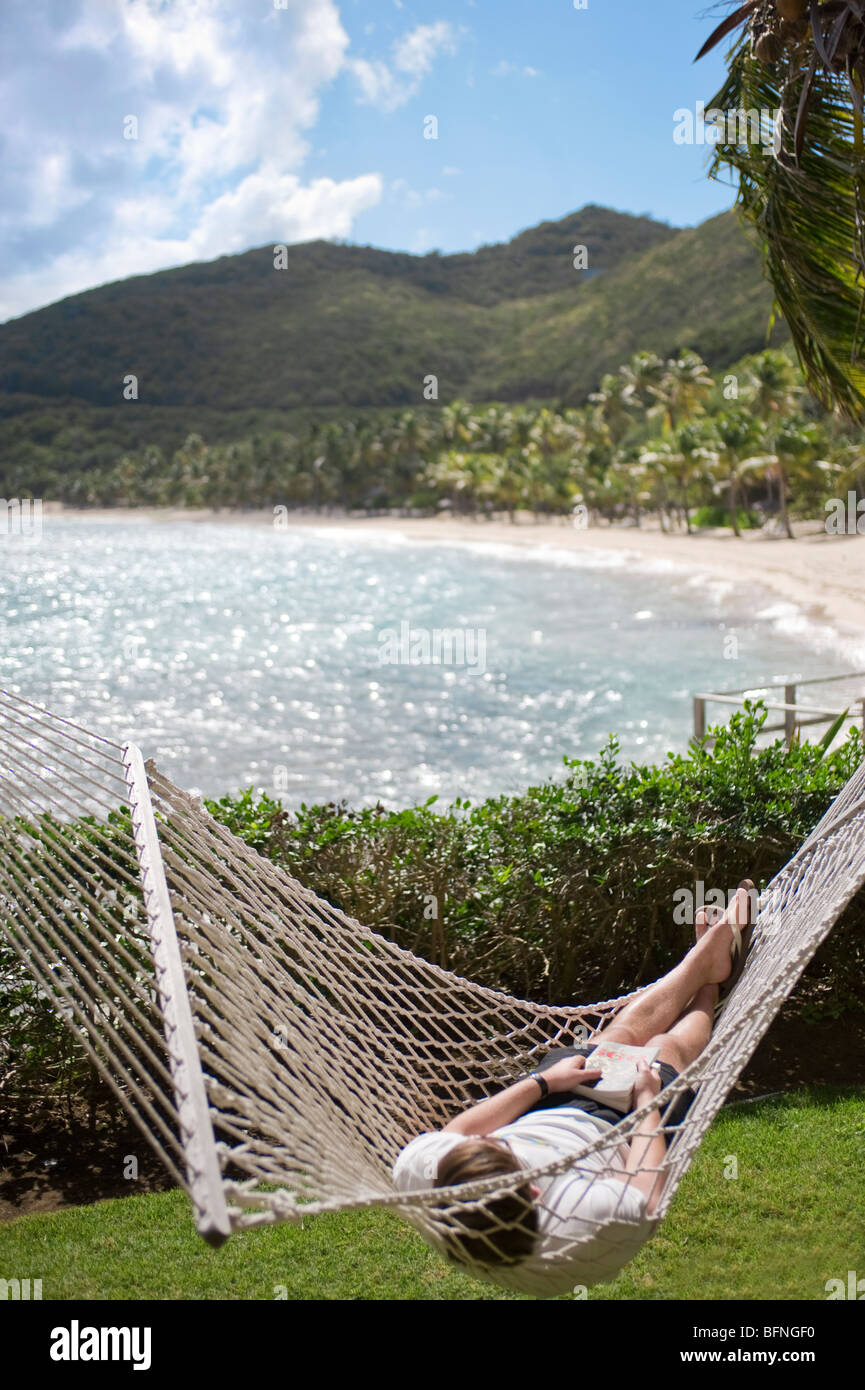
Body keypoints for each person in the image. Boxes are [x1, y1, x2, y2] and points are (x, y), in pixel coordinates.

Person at [392, 883, 755, 1296]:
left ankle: (706, 963)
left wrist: (544, 1083)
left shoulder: (425, 1176)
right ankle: (708, 986)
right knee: (663, 1049)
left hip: (553, 1101)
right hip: (624, 1126)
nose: (506, 1143)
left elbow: (457, 1132)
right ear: (532, 1189)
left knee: (619, 1033)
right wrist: (646, 1101)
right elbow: (646, 1191)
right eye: (510, 1153)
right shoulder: (581, 1227)